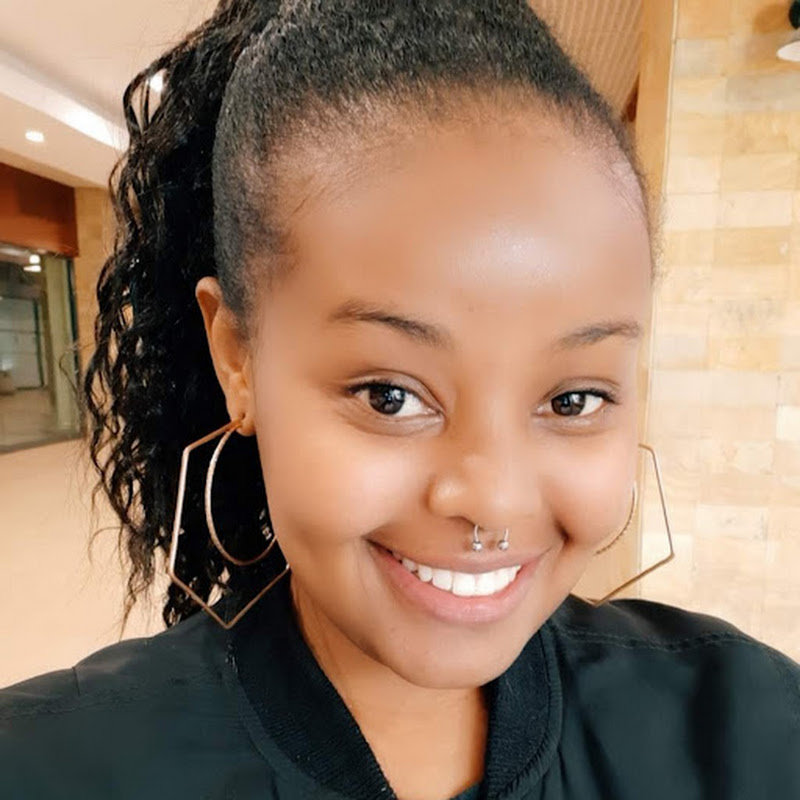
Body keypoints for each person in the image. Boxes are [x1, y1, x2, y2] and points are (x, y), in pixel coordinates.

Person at [1, 1, 798, 798]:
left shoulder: (748, 728)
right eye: (389, 396)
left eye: (574, 400)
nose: (494, 499)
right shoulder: (50, 767)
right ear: (237, 358)